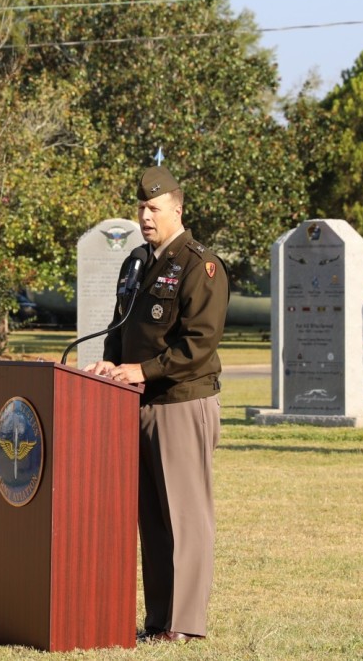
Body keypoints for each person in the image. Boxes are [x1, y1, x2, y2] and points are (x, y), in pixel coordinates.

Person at [84, 166, 229, 643]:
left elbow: (199, 345)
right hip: (136, 403)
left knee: (185, 517)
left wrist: (141, 371)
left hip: (181, 403)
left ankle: (185, 625)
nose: (145, 216)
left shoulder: (200, 266)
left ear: (177, 210)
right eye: (141, 208)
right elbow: (119, 327)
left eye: (154, 208)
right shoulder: (136, 263)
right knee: (153, 518)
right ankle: (159, 621)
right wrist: (110, 366)